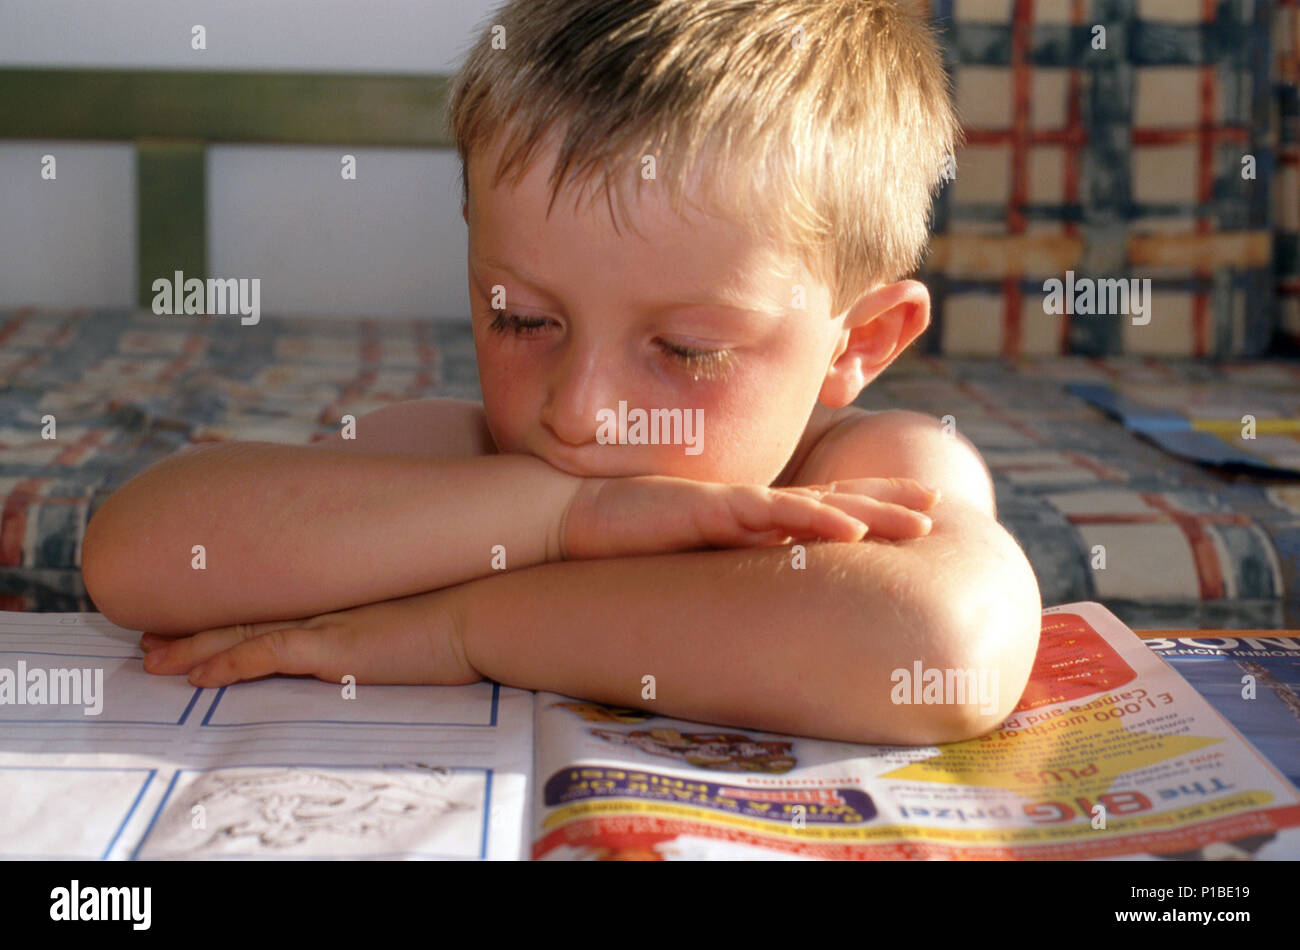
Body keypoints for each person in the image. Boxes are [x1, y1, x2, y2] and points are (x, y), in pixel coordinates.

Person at [81, 0, 1042, 746]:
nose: (579, 413)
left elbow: (945, 649)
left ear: (858, 342)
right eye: (523, 319)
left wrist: (457, 631)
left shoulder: (869, 469)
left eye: (688, 349)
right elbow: (134, 558)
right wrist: (558, 520)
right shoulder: (459, 456)